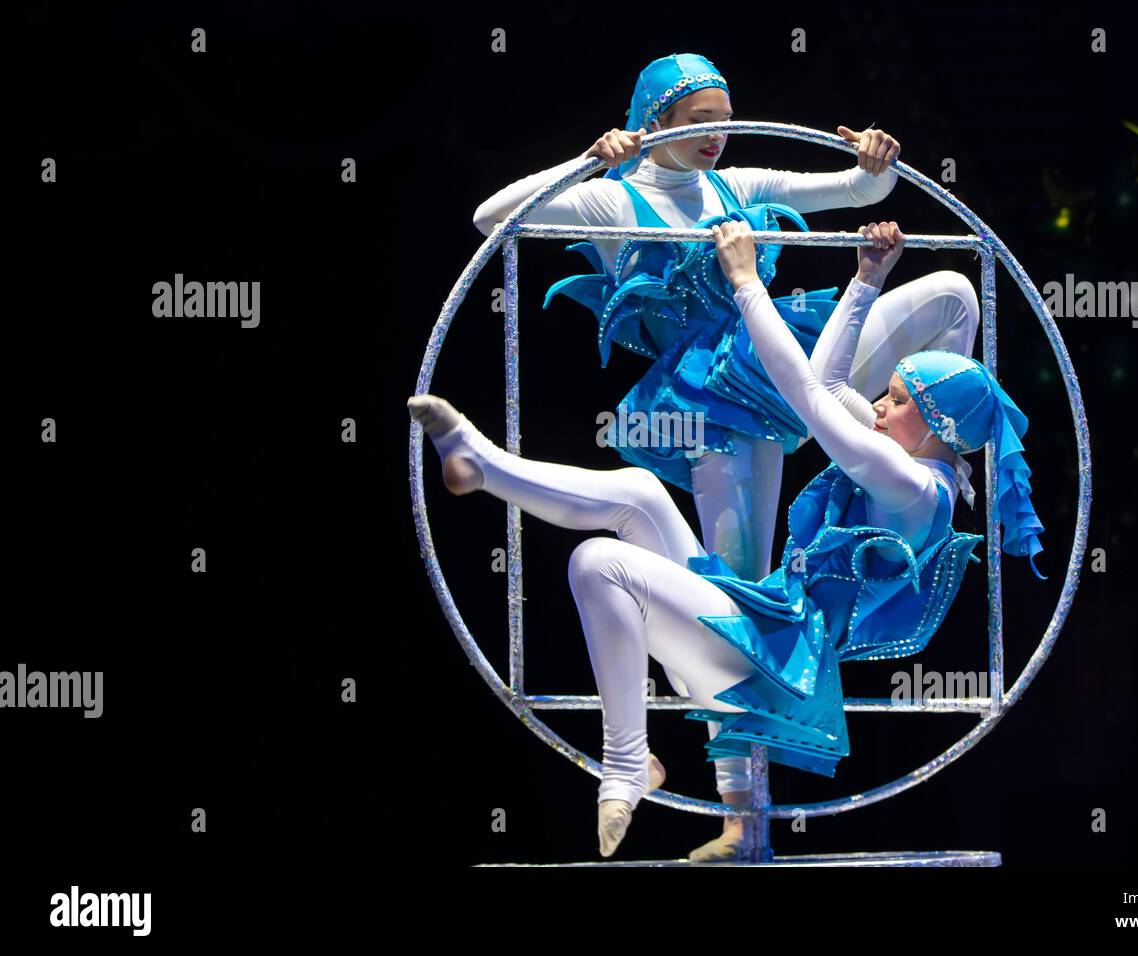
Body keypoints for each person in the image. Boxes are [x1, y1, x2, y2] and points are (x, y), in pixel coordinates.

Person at [472, 53, 983, 855]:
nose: (716, 135)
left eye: (724, 116)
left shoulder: (734, 185)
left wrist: (874, 166)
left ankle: (939, 461)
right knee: (738, 600)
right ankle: (744, 820)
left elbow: (853, 193)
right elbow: (492, 219)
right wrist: (585, 159)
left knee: (953, 291)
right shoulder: (614, 196)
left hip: (795, 360)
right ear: (657, 123)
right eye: (698, 120)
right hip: (711, 407)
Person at [412, 220, 1046, 859]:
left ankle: (627, 760)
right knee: (639, 495)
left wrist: (747, 284)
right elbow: (825, 386)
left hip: (766, 662)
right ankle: (480, 463)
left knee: (599, 563)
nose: (879, 405)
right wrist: (866, 280)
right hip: (760, 623)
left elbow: (805, 391)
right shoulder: (914, 464)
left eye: (899, 400)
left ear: (938, 424)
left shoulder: (908, 484)